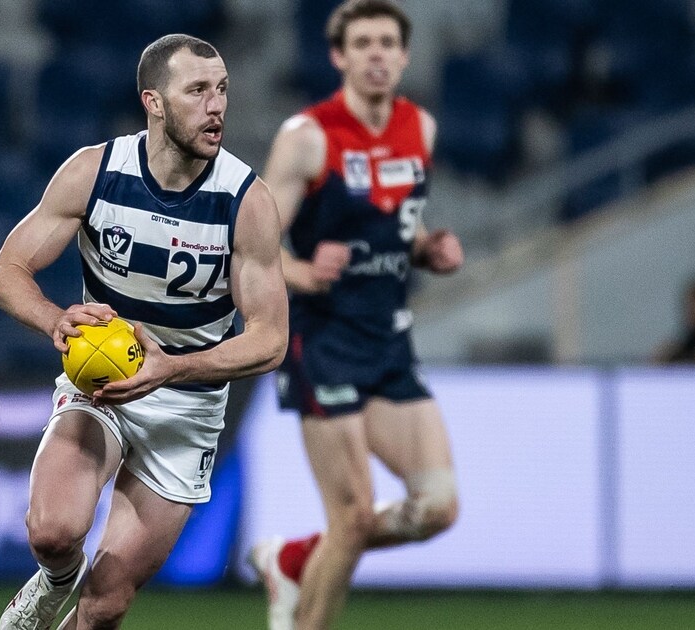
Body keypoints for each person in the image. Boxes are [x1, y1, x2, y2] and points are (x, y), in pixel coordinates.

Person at [0, 34, 288, 630]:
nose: (216, 105)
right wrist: (54, 317)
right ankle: (53, 582)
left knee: (106, 607)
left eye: (222, 88)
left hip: (186, 405)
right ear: (153, 102)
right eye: (197, 90)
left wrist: (171, 367)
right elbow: (5, 272)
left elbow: (271, 339)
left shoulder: (244, 201)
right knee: (53, 533)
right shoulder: (94, 173)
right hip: (99, 383)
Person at [246, 1, 463, 628]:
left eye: (387, 43)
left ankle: (291, 560)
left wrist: (426, 249)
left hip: (389, 342)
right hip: (322, 341)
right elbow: (253, 244)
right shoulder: (307, 138)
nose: (376, 54)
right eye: (362, 43)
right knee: (354, 515)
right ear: (339, 56)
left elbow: (399, 222)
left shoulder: (418, 128)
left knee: (439, 507)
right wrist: (303, 272)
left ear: (405, 56)